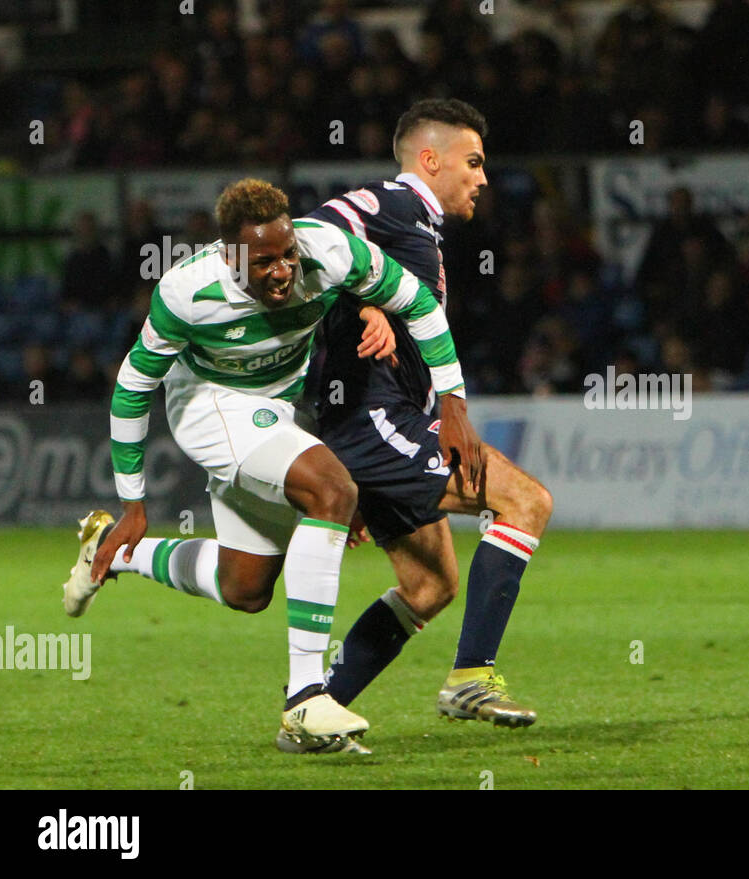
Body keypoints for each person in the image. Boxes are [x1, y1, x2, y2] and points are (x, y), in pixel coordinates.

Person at [65, 178, 481, 754]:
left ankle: (119, 552)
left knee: (246, 587)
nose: (283, 270)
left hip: (277, 411)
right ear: (229, 256)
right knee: (333, 490)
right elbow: (133, 389)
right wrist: (134, 501)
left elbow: (420, 304)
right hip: (210, 405)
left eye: (287, 254)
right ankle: (306, 697)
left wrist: (452, 402)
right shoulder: (187, 292)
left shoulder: (330, 251)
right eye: (264, 262)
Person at [306, 98, 553, 727]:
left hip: (378, 423)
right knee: (525, 502)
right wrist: (361, 306)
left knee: (429, 587)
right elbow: (309, 241)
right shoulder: (391, 202)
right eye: (472, 162)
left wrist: (365, 302)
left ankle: (315, 711)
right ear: (429, 159)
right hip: (371, 416)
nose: (482, 177)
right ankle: (471, 678)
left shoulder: (421, 230)